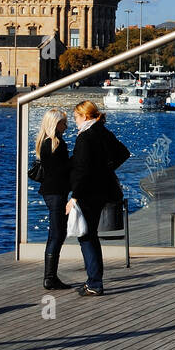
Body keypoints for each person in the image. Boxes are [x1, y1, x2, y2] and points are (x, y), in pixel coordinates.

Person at [67, 100, 131, 296]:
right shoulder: (103, 131)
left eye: (76, 117)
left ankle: (94, 282)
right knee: (90, 234)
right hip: (105, 190)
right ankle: (93, 280)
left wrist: (74, 197)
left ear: (85, 116)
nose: (74, 121)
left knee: (86, 235)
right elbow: (123, 153)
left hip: (88, 192)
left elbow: (82, 170)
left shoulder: (85, 137)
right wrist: (106, 170)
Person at [35, 108, 73, 290]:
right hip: (57, 192)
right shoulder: (56, 143)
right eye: (64, 123)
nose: (66, 126)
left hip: (50, 192)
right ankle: (50, 278)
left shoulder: (44, 142)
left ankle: (50, 276)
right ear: (56, 123)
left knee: (55, 234)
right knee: (57, 235)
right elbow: (62, 169)